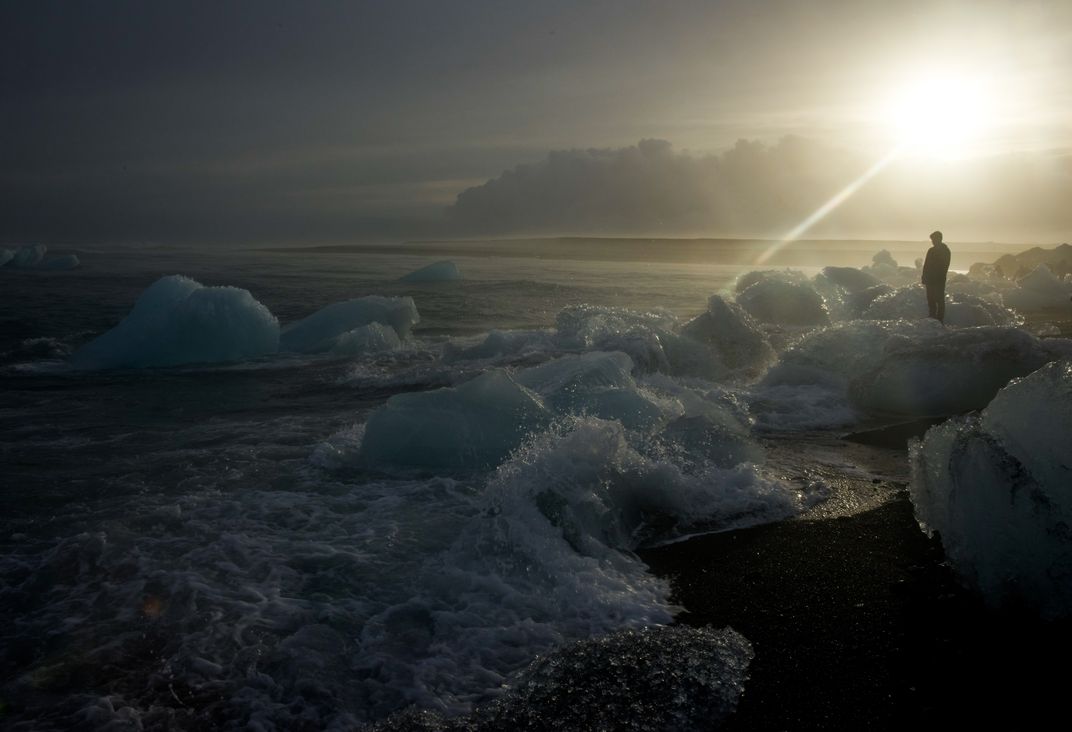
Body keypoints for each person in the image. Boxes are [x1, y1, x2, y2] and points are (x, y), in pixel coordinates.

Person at [921, 230, 951, 323]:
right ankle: (932, 317)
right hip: (930, 280)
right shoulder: (931, 250)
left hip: (939, 280)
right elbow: (926, 265)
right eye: (932, 240)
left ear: (939, 239)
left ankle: (940, 320)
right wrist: (924, 277)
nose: (932, 241)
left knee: (939, 299)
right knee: (931, 299)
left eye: (934, 239)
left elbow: (944, 266)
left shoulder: (945, 251)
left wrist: (936, 276)